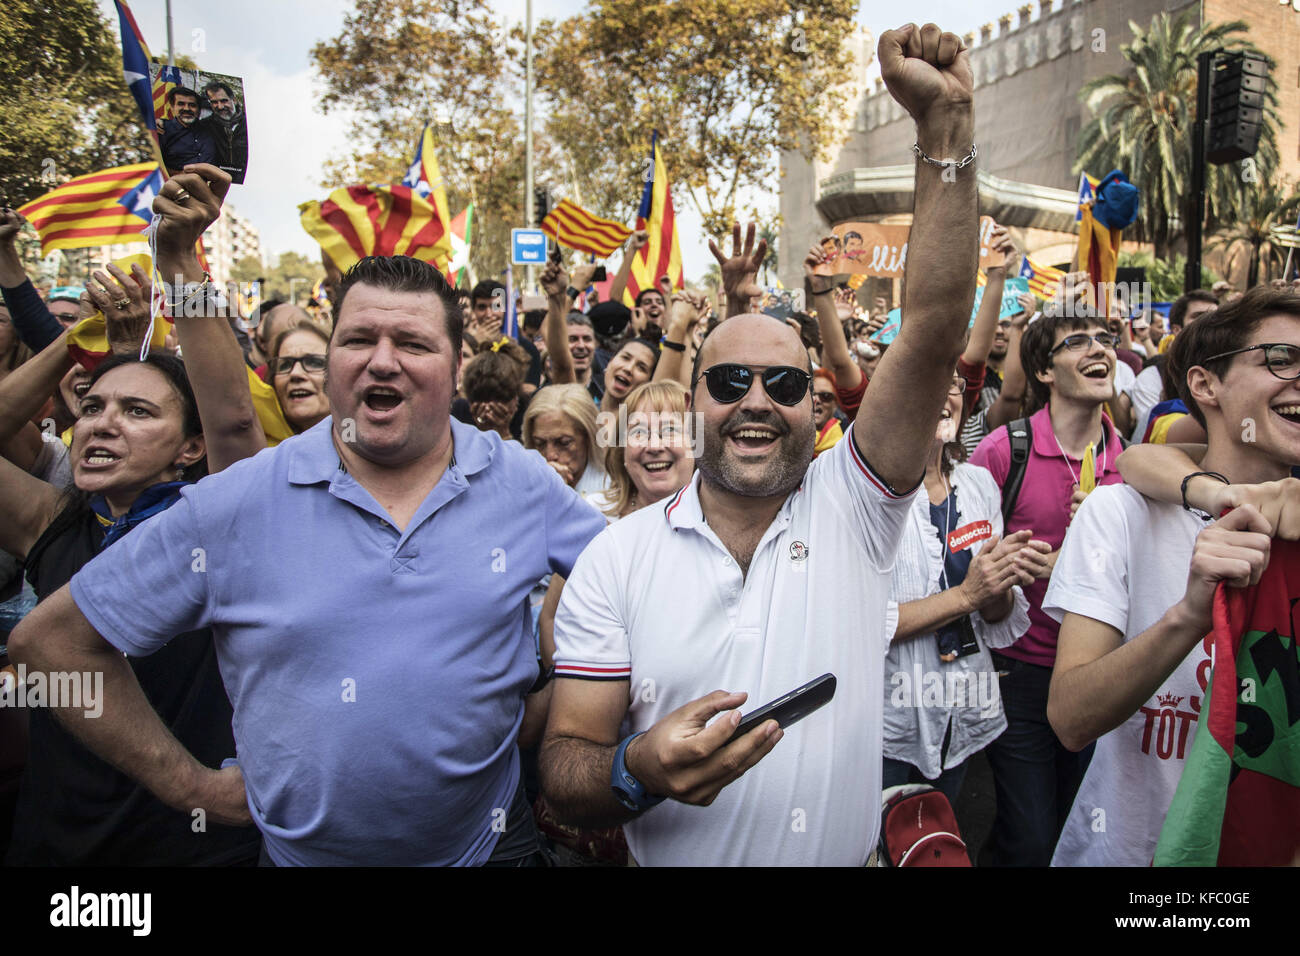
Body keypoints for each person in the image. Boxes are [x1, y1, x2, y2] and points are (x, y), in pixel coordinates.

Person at [7, 163, 608, 866]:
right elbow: (51, 643)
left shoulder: (520, 482)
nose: (382, 362)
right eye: (357, 341)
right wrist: (191, 786)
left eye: (412, 344)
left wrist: (561, 703)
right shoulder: (240, 500)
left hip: (494, 851)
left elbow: (633, 585)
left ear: (455, 368)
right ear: (332, 363)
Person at [539, 22, 981, 866]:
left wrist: (947, 130)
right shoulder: (617, 557)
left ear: (815, 405)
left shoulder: (855, 503)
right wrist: (637, 769)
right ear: (691, 397)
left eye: (782, 385)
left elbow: (930, 329)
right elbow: (565, 765)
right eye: (728, 380)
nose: (754, 402)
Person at [1044, 286, 1300, 866]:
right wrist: (1188, 616)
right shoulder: (1122, 514)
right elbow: (1071, 718)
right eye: (1281, 359)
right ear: (1206, 384)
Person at [968, 299, 1126, 866]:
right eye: (1077, 341)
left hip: (1100, 674)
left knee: (1078, 830)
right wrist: (1019, 565)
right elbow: (966, 566)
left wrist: (1105, 532)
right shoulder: (1001, 450)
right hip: (1020, 674)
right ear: (1043, 371)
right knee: (1030, 836)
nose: (1099, 348)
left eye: (1104, 337)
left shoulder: (1131, 464)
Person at [883, 369, 1036, 807]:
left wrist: (1002, 578)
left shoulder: (978, 483)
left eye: (952, 384)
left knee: (941, 843)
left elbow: (996, 616)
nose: (942, 393)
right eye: (929, 378)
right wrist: (968, 594)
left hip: (964, 710)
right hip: (891, 725)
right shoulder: (873, 497)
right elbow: (863, 623)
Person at [522, 383, 608, 500]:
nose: (550, 455)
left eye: (564, 443)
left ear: (588, 436)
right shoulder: (524, 485)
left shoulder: (613, 487)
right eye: (540, 443)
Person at [265, 319, 331, 433]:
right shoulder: (261, 448)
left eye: (314, 363)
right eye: (285, 365)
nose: (295, 373)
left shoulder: (365, 446)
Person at [160, 87, 217, 173]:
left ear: (199, 109)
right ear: (172, 107)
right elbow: (155, 165)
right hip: (177, 183)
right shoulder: (162, 130)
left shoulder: (210, 128)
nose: (187, 108)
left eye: (192, 105)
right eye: (181, 104)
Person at [201, 81, 248, 183]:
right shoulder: (204, 126)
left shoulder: (250, 124)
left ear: (234, 100)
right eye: (214, 102)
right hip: (216, 182)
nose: (220, 106)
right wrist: (161, 123)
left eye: (224, 101)